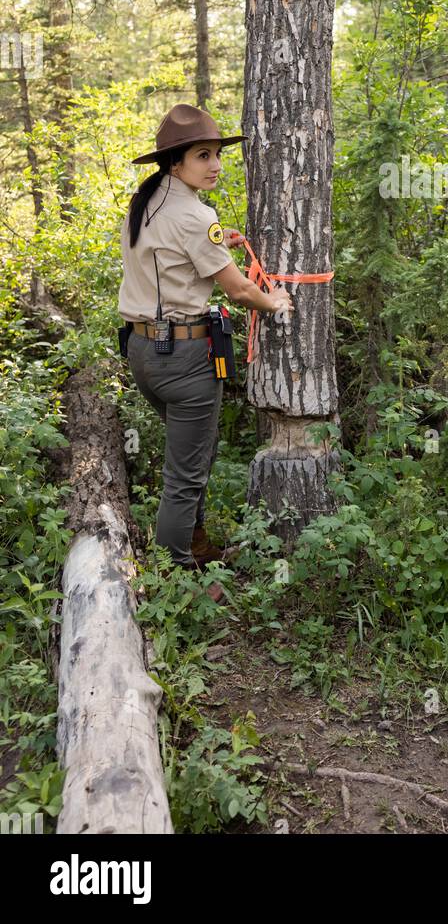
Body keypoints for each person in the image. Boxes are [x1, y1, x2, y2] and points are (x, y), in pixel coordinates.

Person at [118, 104, 293, 602]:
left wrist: (220, 243)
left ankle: (193, 548)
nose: (215, 164)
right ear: (175, 161)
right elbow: (239, 291)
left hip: (142, 352)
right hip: (184, 358)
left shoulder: (147, 200)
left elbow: (171, 260)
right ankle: (176, 583)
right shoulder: (196, 215)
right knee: (185, 472)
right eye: (202, 155)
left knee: (189, 457)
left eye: (217, 154)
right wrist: (273, 300)